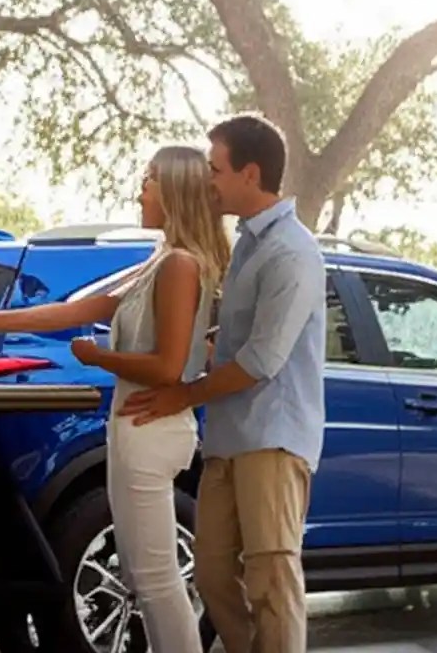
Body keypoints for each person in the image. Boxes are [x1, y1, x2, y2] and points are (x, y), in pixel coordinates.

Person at [0, 145, 230, 653]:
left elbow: (167, 367)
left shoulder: (181, 266)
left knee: (158, 581)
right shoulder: (159, 261)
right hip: (135, 429)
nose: (139, 190)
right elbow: (73, 309)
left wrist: (97, 357)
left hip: (151, 430)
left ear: (174, 189)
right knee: (145, 578)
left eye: (148, 179)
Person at [119, 114, 327, 653]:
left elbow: (262, 359)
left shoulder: (292, 252)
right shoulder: (248, 247)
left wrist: (181, 392)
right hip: (229, 436)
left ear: (250, 174)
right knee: (211, 575)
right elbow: (231, 346)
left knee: (271, 583)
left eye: (214, 168)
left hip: (273, 441)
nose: (206, 179)